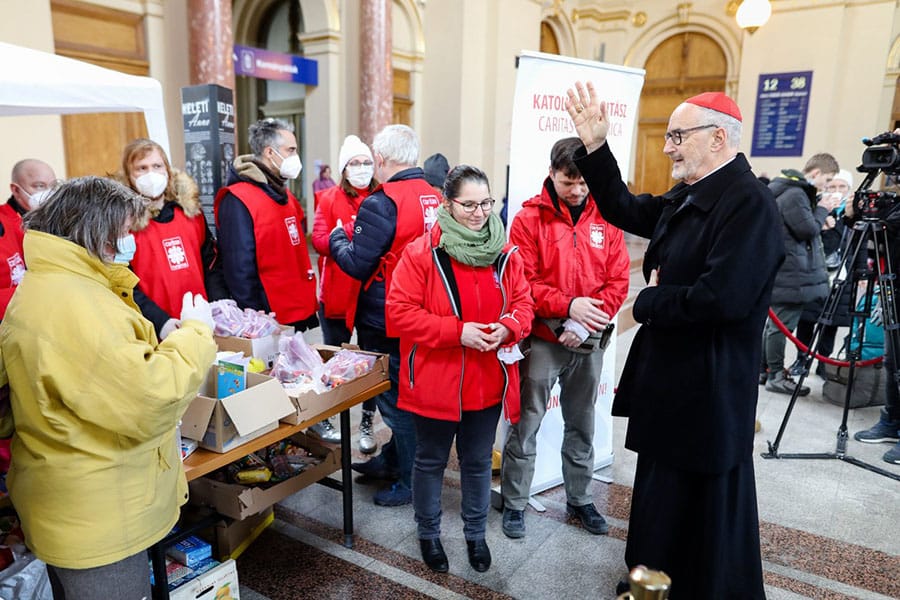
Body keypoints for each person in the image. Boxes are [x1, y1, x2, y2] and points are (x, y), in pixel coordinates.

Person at [566, 83, 783, 599]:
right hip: (675, 382)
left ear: (717, 138)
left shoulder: (749, 206)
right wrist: (596, 148)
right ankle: (650, 583)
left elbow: (722, 299)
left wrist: (646, 302)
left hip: (708, 389)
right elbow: (625, 207)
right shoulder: (693, 193)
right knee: (661, 500)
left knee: (695, 506)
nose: (667, 147)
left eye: (677, 136)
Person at [0, 176, 217, 599]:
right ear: (94, 232)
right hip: (98, 514)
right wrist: (195, 334)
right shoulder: (75, 303)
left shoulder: (48, 286)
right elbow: (150, 399)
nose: (128, 241)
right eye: (123, 231)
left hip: (71, 497)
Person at [387, 165, 533, 573]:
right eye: (468, 204)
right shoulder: (422, 253)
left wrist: (507, 328)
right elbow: (398, 315)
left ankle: (474, 535)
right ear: (447, 204)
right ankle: (429, 534)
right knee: (430, 460)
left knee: (476, 462)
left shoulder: (504, 253)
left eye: (485, 203)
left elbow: (524, 304)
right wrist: (458, 332)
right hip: (436, 377)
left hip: (486, 378)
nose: (479, 212)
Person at [500, 137, 629, 539]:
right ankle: (515, 502)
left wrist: (585, 322)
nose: (576, 191)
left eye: (583, 183)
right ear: (552, 173)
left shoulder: (606, 217)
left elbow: (618, 280)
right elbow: (524, 283)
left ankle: (580, 497)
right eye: (568, 181)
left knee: (582, 423)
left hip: (590, 339)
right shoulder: (527, 220)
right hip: (542, 339)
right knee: (526, 424)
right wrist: (567, 309)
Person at [330, 124, 441, 506]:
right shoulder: (434, 196)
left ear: (381, 159)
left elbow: (358, 264)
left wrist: (338, 238)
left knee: (397, 404)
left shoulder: (383, 201)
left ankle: (408, 482)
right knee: (409, 396)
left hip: (387, 315)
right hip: (424, 312)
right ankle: (392, 461)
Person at [118, 138, 228, 340]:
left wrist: (219, 305)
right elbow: (122, 285)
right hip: (155, 330)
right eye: (141, 168)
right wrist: (161, 321)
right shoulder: (122, 226)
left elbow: (211, 265)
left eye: (157, 166)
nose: (151, 174)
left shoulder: (191, 214)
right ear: (129, 176)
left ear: (167, 171)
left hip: (201, 324)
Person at [215, 117, 318, 332]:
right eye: (291, 150)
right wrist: (256, 321)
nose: (295, 157)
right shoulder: (238, 199)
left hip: (295, 308)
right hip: (269, 317)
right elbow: (239, 269)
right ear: (270, 152)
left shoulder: (286, 195)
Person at [311, 134, 378, 447]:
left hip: (369, 293)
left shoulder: (381, 196)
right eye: (355, 162)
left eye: (366, 162)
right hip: (336, 293)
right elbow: (320, 241)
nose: (362, 167)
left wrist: (348, 231)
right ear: (344, 168)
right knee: (333, 361)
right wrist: (356, 233)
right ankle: (327, 417)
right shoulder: (328, 199)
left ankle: (367, 425)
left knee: (370, 362)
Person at [762, 153, 840, 394]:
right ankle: (775, 374)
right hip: (793, 273)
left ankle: (766, 370)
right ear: (815, 173)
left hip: (786, 270)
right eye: (827, 181)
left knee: (774, 325)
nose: (826, 187)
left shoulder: (789, 190)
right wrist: (824, 210)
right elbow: (806, 229)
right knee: (781, 325)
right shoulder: (796, 193)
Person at [790, 169, 856, 378]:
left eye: (842, 187)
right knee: (807, 319)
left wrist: (862, 273)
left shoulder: (852, 213)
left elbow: (859, 246)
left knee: (831, 322)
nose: (837, 191)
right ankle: (802, 359)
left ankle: (823, 362)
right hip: (815, 272)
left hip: (842, 276)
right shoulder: (816, 209)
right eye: (833, 186)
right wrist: (822, 222)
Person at [0, 159, 56, 318]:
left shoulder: (60, 223)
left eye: (53, 187)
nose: (48, 193)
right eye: (39, 186)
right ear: (16, 190)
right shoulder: (3, 224)